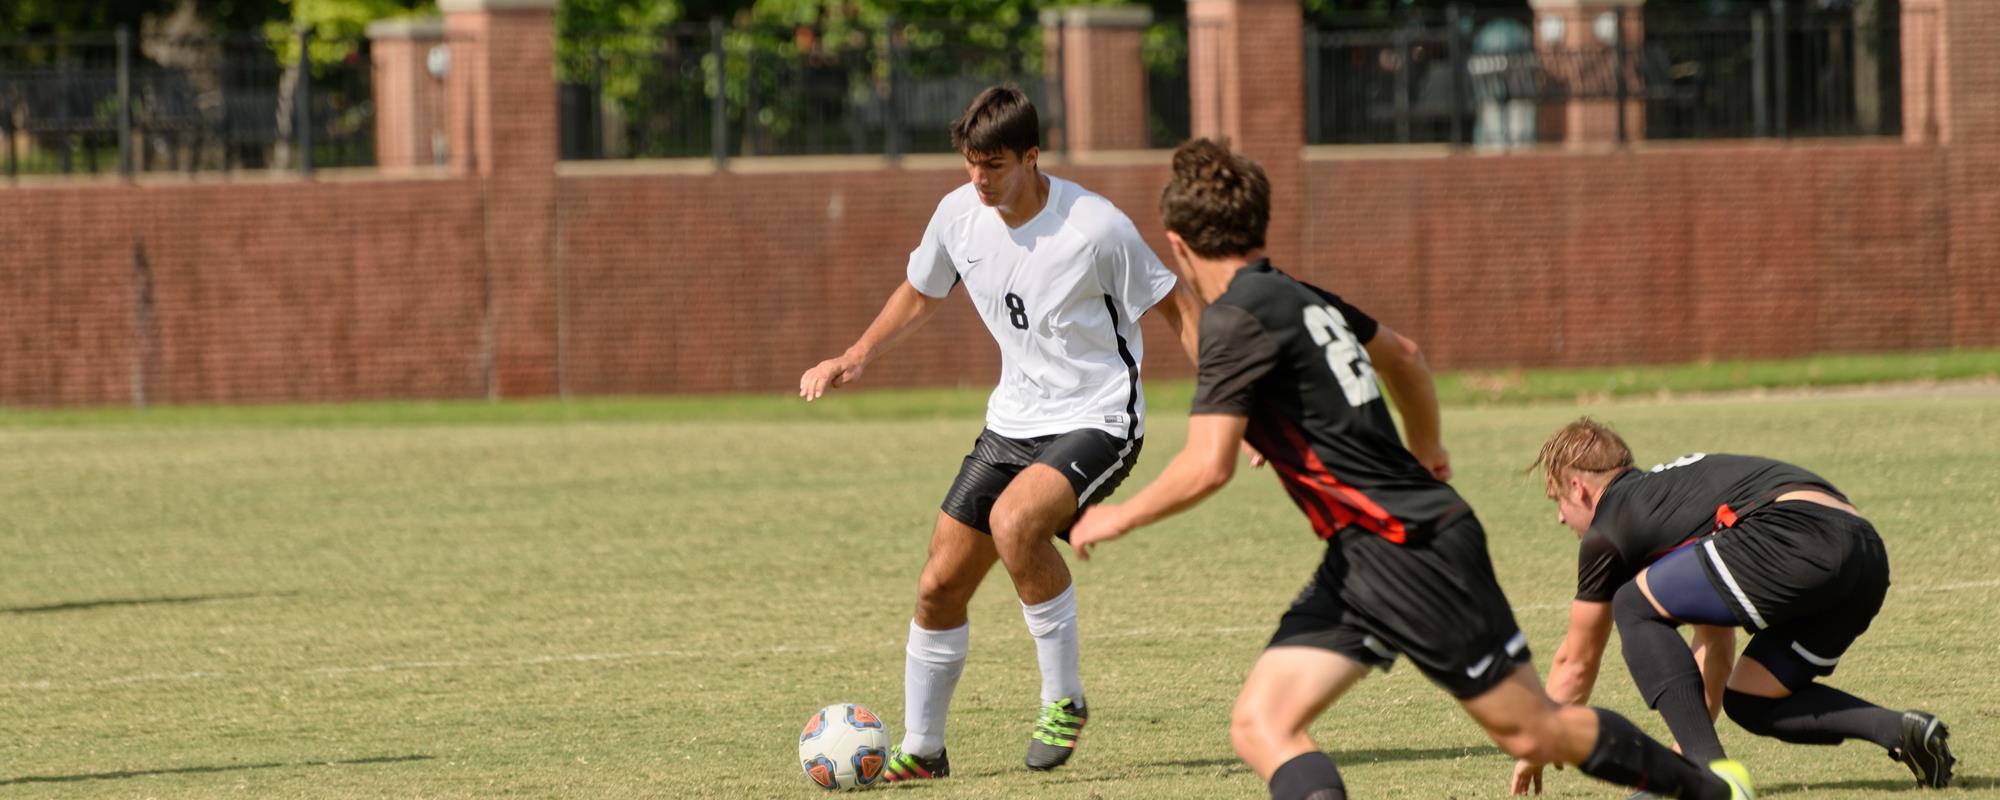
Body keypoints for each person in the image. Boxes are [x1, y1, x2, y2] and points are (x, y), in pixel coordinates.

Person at [1068, 137, 1751, 800]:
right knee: (1261, 723)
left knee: (1536, 733)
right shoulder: (1300, 297)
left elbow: (1207, 464)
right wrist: (1426, 449)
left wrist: (1117, 514)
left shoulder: (1232, 321)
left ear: (1178, 244)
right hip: (1367, 554)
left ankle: (1704, 789)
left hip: (1410, 551)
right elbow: (1405, 356)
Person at [798, 85, 1201, 780]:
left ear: (1032, 157)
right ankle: (924, 752)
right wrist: (853, 355)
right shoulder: (960, 215)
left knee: (1017, 523)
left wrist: (1235, 408)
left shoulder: (1096, 228)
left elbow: (1177, 309)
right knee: (937, 586)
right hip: (1011, 422)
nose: (979, 180)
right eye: (969, 164)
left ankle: (1064, 699)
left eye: (993, 165)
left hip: (1098, 418)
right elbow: (922, 291)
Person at [1517, 418, 1955, 793]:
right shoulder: (1670, 505)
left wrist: (1540, 738)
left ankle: (1711, 776)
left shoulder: (1609, 529)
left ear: (1578, 488)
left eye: (1556, 499)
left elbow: (1576, 661)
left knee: (1630, 602)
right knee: (1750, 700)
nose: (1559, 516)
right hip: (1866, 553)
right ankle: (1903, 732)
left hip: (1797, 535)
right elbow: (1714, 647)